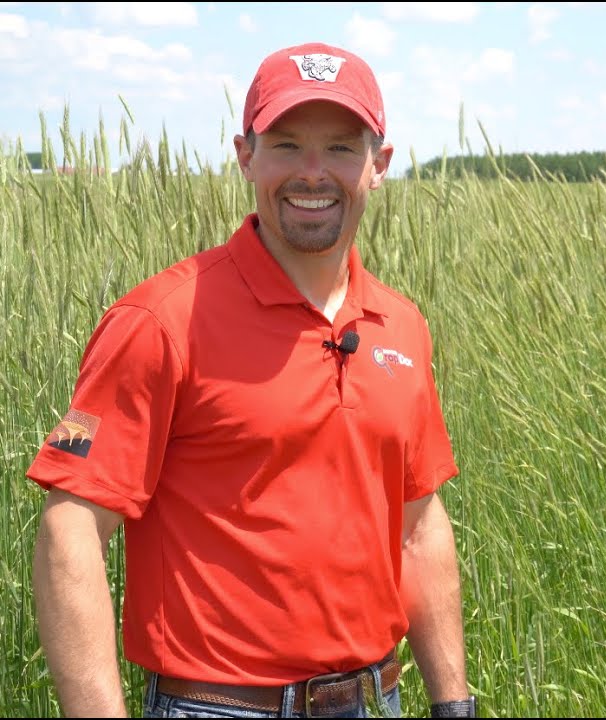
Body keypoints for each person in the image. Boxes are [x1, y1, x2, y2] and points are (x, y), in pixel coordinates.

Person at [29, 42, 477, 718]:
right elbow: (72, 530)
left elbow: (419, 526)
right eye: (287, 144)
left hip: (373, 701)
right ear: (246, 155)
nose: (313, 173)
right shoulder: (162, 319)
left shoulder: (402, 327)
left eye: (341, 149)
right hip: (216, 706)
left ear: (379, 166)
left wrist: (453, 703)